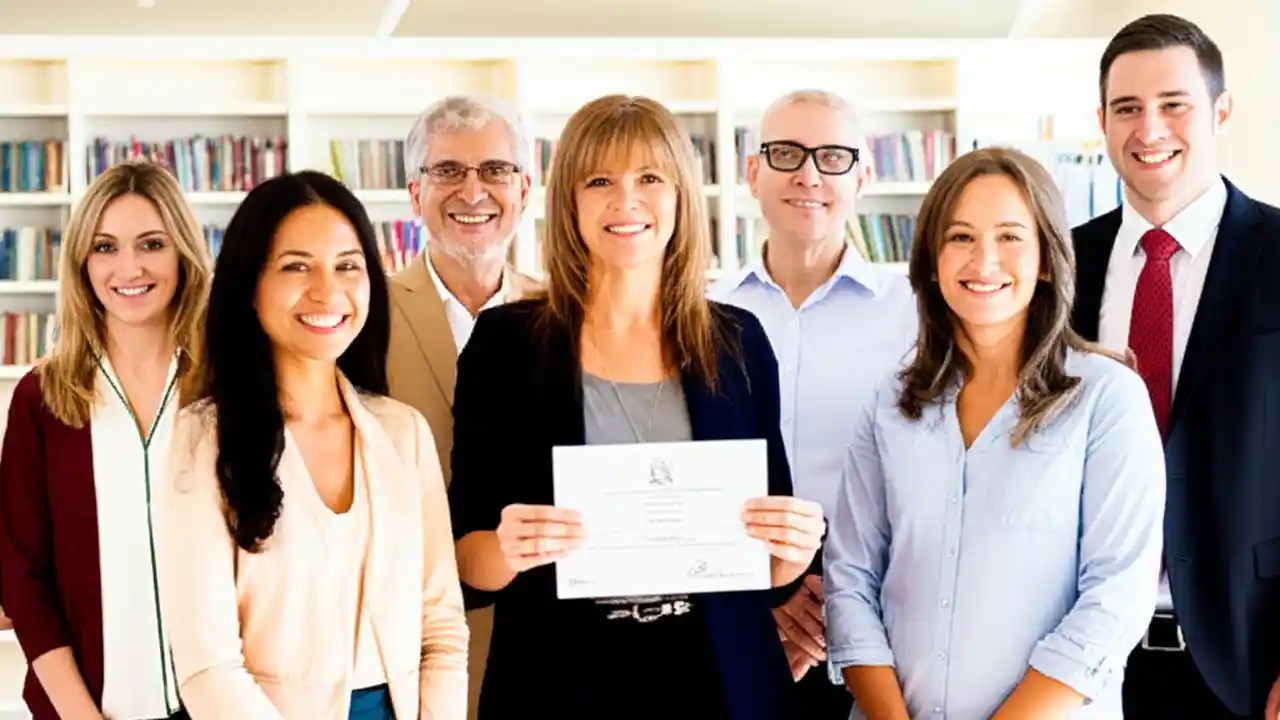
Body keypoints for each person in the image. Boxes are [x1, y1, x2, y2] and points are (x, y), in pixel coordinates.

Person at [446, 94, 825, 718]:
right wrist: (507, 548)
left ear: (680, 196)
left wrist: (796, 545)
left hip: (721, 678)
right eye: (600, 181)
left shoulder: (739, 342)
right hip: (560, 677)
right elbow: (466, 562)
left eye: (650, 178)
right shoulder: (506, 344)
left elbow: (771, 565)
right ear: (569, 199)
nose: (626, 201)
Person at [824, 147, 1166, 719]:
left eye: (1010, 237)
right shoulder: (889, 403)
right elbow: (851, 581)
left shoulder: (1107, 398)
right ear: (932, 259)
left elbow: (1115, 599)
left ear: (1047, 259)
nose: (984, 261)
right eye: (960, 237)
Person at [154, 170, 468, 719]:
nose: (327, 290)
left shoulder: (403, 433)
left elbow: (441, 627)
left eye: (348, 266)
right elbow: (208, 667)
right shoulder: (202, 438)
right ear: (251, 286)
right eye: (297, 266)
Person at [1070, 13, 1280, 719]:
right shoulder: (1057, 267)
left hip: (1246, 667)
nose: (1149, 129)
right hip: (1080, 664)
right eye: (1127, 108)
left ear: (1220, 110)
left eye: (1174, 105)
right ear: (1101, 121)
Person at [709, 88, 916, 716]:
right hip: (738, 614)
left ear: (863, 176)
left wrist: (837, 597)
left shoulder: (917, 315)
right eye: (786, 153)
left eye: (832, 156)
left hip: (880, 621)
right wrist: (771, 593)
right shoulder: (703, 315)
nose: (808, 174)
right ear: (752, 172)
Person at [0, 160, 213, 720]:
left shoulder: (227, 386)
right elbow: (23, 577)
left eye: (151, 243)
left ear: (183, 253)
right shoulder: (41, 398)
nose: (129, 267)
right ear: (82, 263)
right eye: (105, 247)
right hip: (80, 709)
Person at [386, 95, 540, 717]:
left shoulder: (568, 318)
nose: (472, 190)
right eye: (447, 170)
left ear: (525, 190)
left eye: (494, 170)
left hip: (541, 642)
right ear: (415, 193)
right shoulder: (358, 316)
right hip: (403, 641)